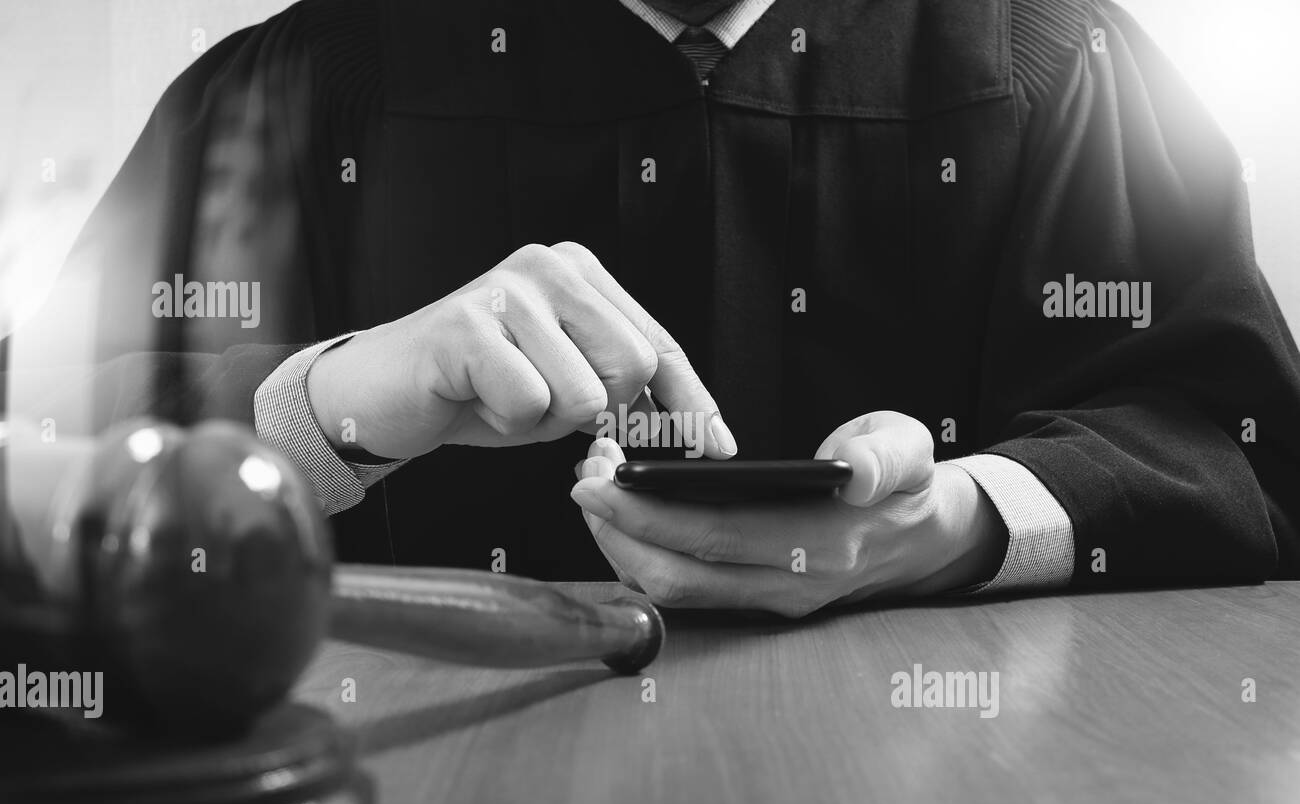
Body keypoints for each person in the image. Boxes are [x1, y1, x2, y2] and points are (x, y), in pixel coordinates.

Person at [4, 0, 1299, 616]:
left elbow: (1230, 434)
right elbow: (44, 430)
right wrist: (329, 399)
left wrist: (955, 524)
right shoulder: (308, 82)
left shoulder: (1046, 60)